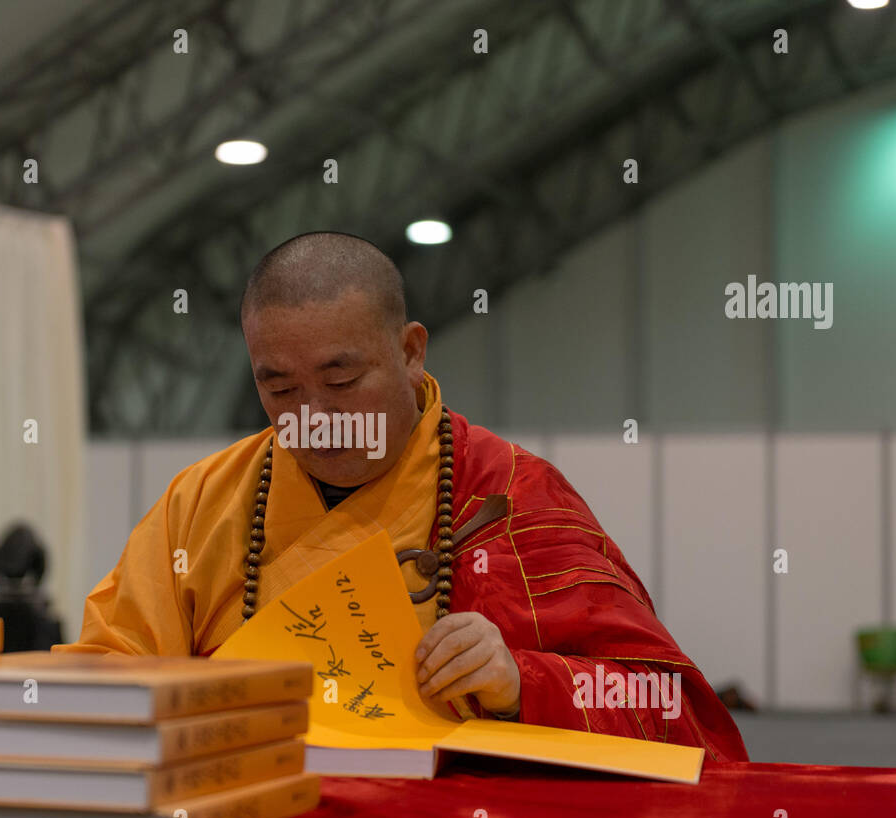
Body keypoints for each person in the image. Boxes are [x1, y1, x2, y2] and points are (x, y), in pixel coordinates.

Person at [60, 231, 749, 762]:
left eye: (341, 377)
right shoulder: (201, 503)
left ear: (411, 350)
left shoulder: (510, 494)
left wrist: (522, 681)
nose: (314, 417)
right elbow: (104, 685)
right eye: (280, 388)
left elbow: (678, 717)